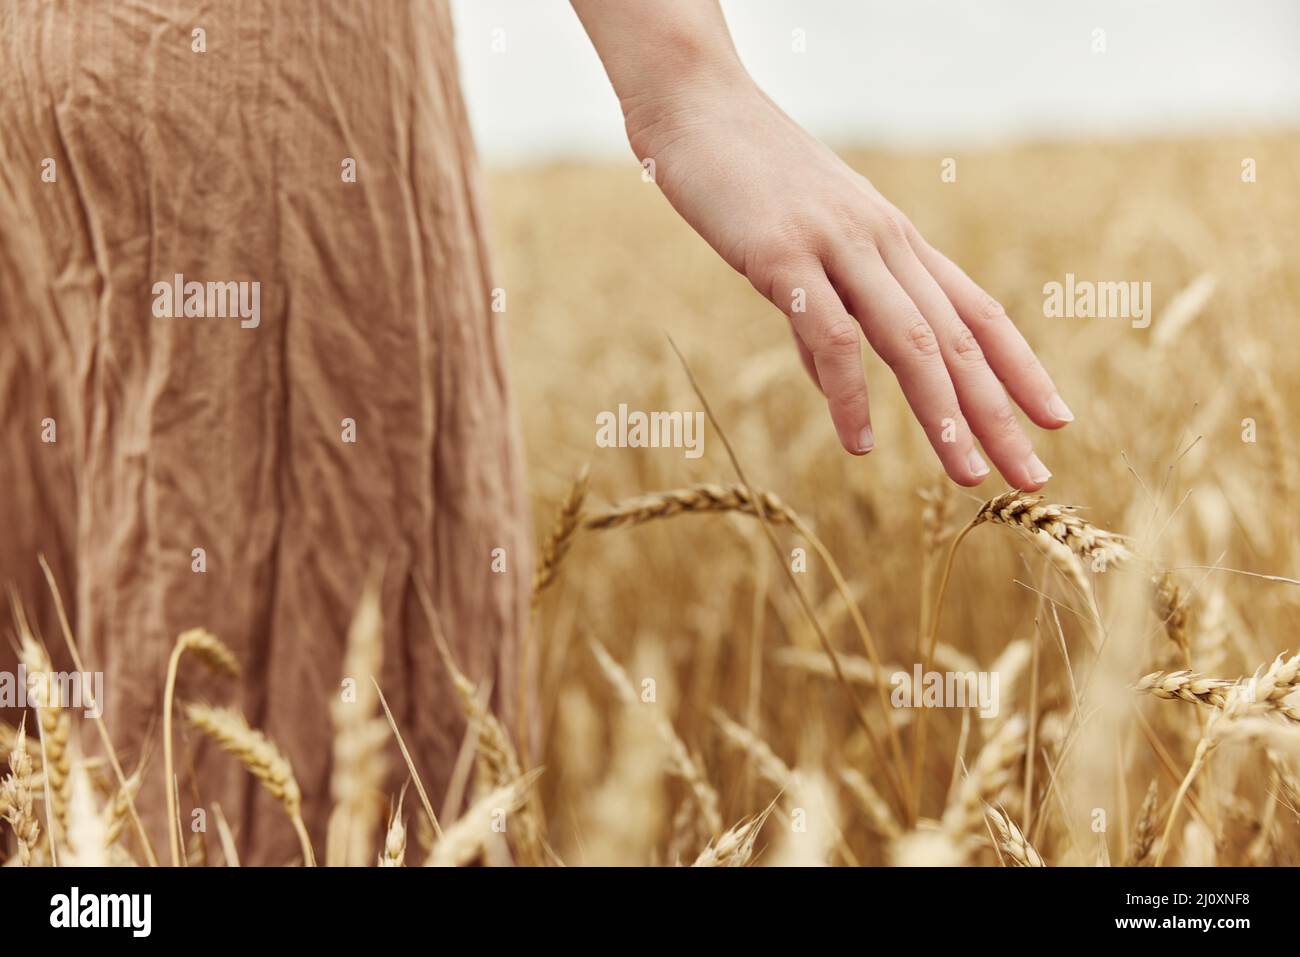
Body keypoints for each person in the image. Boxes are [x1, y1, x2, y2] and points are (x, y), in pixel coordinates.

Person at [0, 0, 1067, 865]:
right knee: (309, 786)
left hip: (46, 77)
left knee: (60, 759)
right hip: (260, 92)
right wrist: (683, 71)